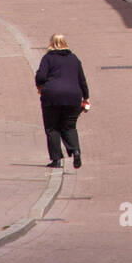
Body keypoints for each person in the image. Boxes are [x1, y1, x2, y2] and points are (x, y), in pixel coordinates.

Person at [35, 33, 89, 169]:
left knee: (52, 127)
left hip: (52, 96)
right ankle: (75, 150)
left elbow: (40, 76)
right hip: (73, 97)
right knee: (69, 126)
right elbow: (82, 80)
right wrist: (86, 97)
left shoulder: (48, 58)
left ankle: (56, 159)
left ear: (51, 43)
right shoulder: (74, 59)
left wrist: (42, 84)